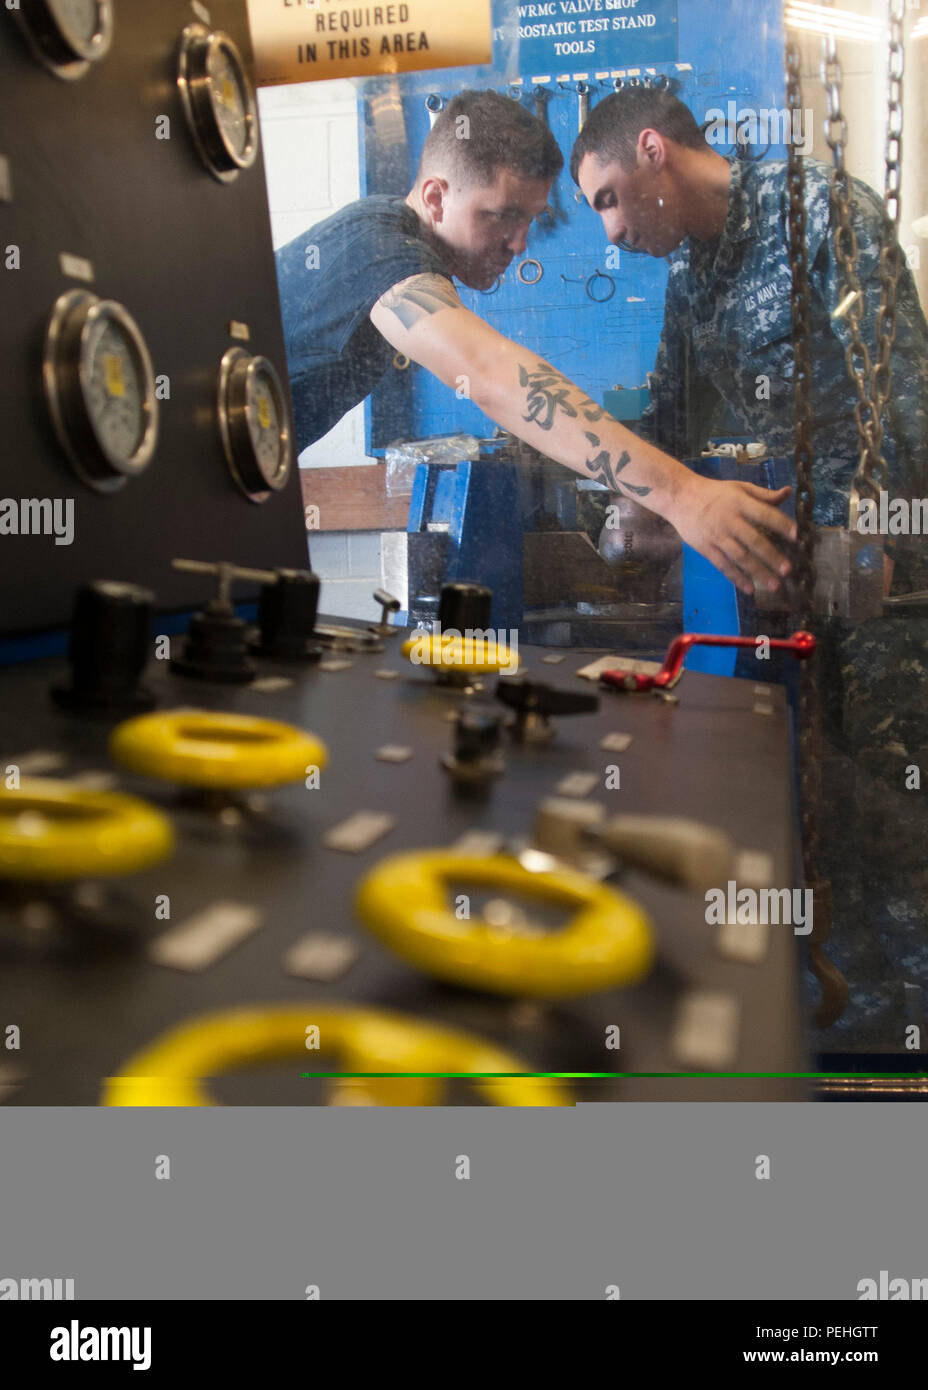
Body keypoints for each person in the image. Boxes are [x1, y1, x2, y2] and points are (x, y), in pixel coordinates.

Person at [571, 85, 928, 1050]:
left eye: (606, 197)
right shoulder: (696, 274)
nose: (607, 234)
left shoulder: (820, 212)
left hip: (885, 592)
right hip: (785, 592)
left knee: (905, 837)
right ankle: (848, 1039)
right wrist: (617, 497)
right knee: (827, 835)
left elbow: (901, 416)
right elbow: (668, 422)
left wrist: (836, 542)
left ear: (653, 153)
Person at [275, 88, 796, 599]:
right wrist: (683, 495)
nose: (520, 242)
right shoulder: (379, 250)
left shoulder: (391, 243)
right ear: (436, 197)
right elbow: (490, 374)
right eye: (501, 215)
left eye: (530, 220)